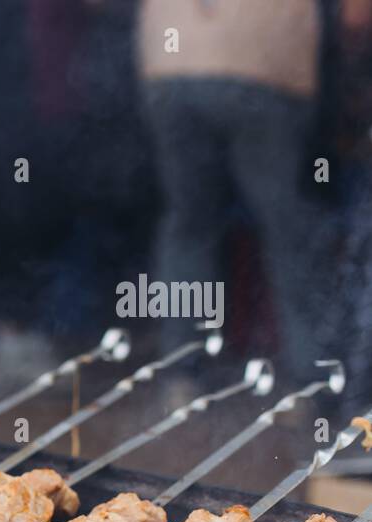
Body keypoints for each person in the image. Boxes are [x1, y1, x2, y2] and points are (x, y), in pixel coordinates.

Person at [137, 0, 336, 378]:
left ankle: (181, 374)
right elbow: (359, 16)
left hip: (170, 65)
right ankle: (311, 380)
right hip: (267, 63)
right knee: (287, 230)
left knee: (189, 226)